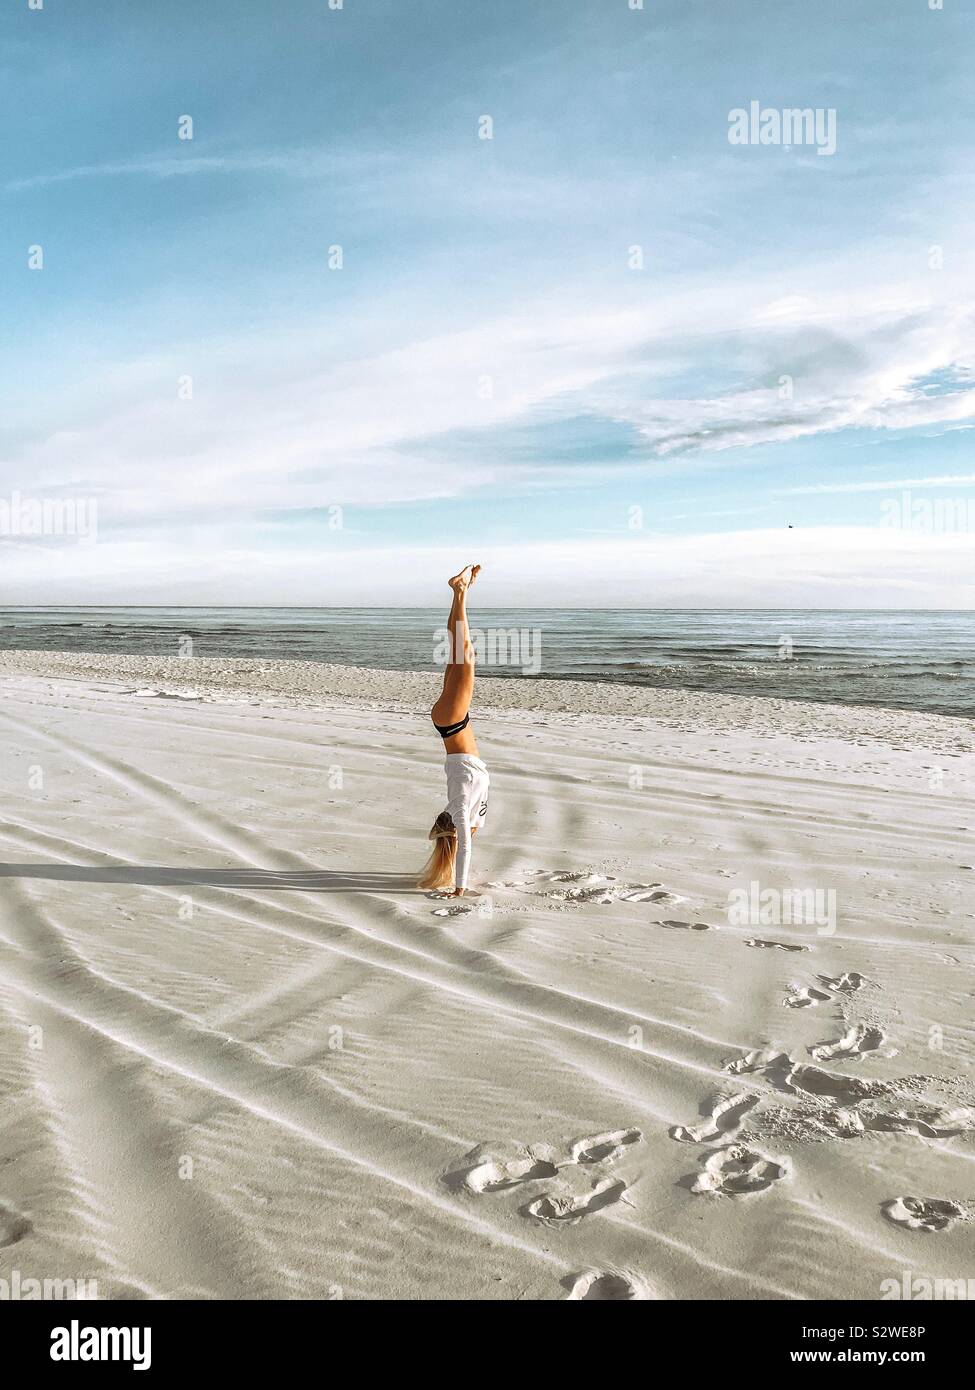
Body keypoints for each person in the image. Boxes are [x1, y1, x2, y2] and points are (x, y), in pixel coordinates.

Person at [418, 564, 489, 897]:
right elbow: (468, 838)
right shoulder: (475, 815)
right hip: (452, 723)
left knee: (466, 655)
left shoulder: (459, 806)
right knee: (457, 652)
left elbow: (464, 849)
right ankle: (459, 592)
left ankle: (460, 590)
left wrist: (459, 889)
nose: (466, 833)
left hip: (453, 722)